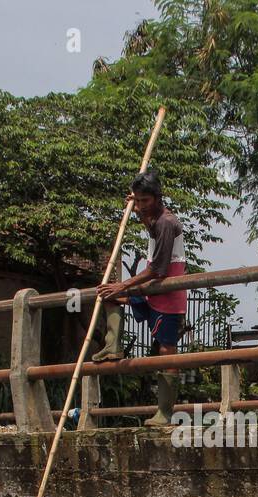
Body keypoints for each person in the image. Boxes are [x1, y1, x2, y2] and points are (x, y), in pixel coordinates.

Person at [95, 169, 187, 427]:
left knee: (166, 349)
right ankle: (113, 346)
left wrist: (123, 284)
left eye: (145, 201)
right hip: (152, 290)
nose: (140, 206)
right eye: (137, 201)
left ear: (158, 198)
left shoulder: (167, 223)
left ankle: (166, 413)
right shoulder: (153, 218)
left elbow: (158, 269)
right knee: (110, 297)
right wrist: (136, 207)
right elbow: (149, 225)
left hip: (166, 290)